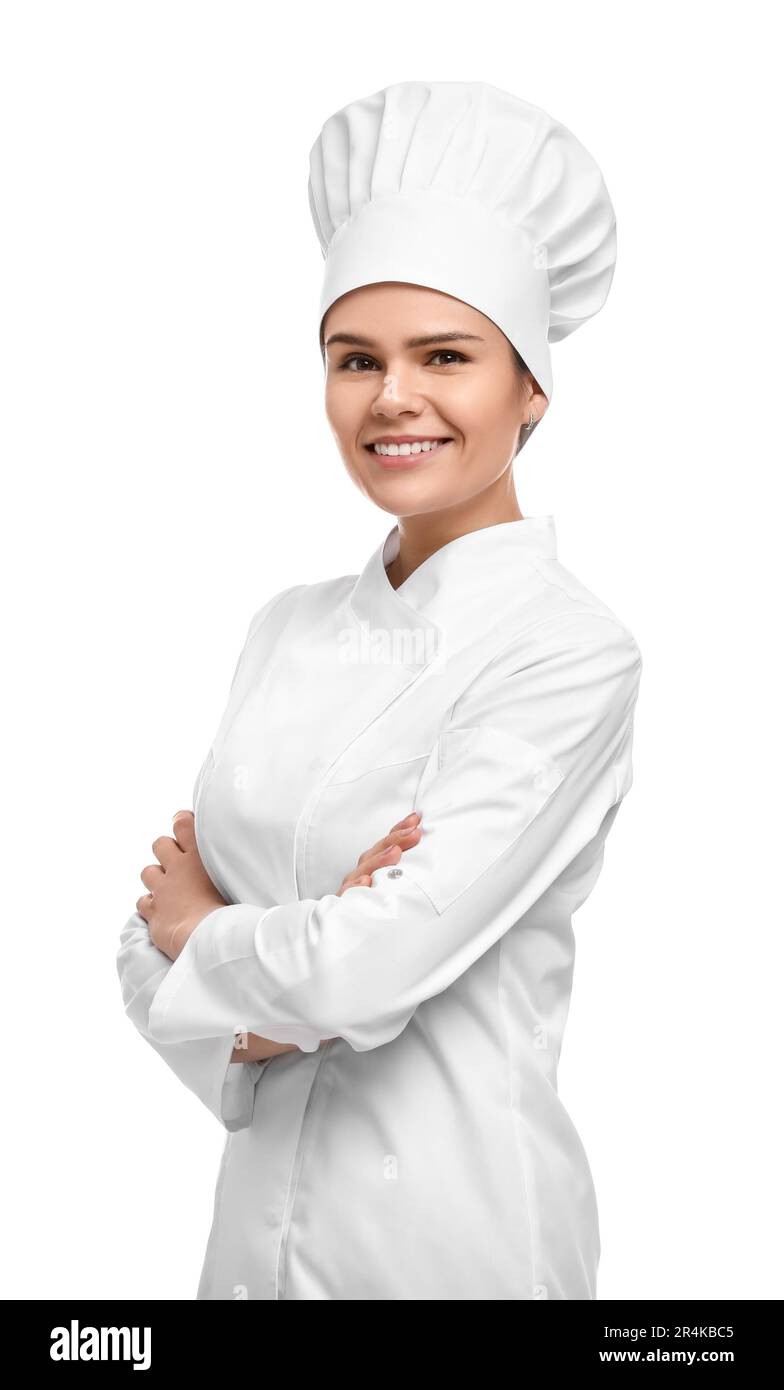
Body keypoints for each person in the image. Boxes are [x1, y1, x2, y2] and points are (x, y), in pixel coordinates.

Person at [117, 80, 642, 1301]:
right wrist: (278, 975)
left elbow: (369, 961)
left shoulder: (570, 651)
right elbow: (135, 954)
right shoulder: (284, 628)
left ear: (531, 391)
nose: (391, 397)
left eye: (443, 357)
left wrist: (213, 934)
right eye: (356, 360)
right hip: (249, 1250)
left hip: (459, 1243)